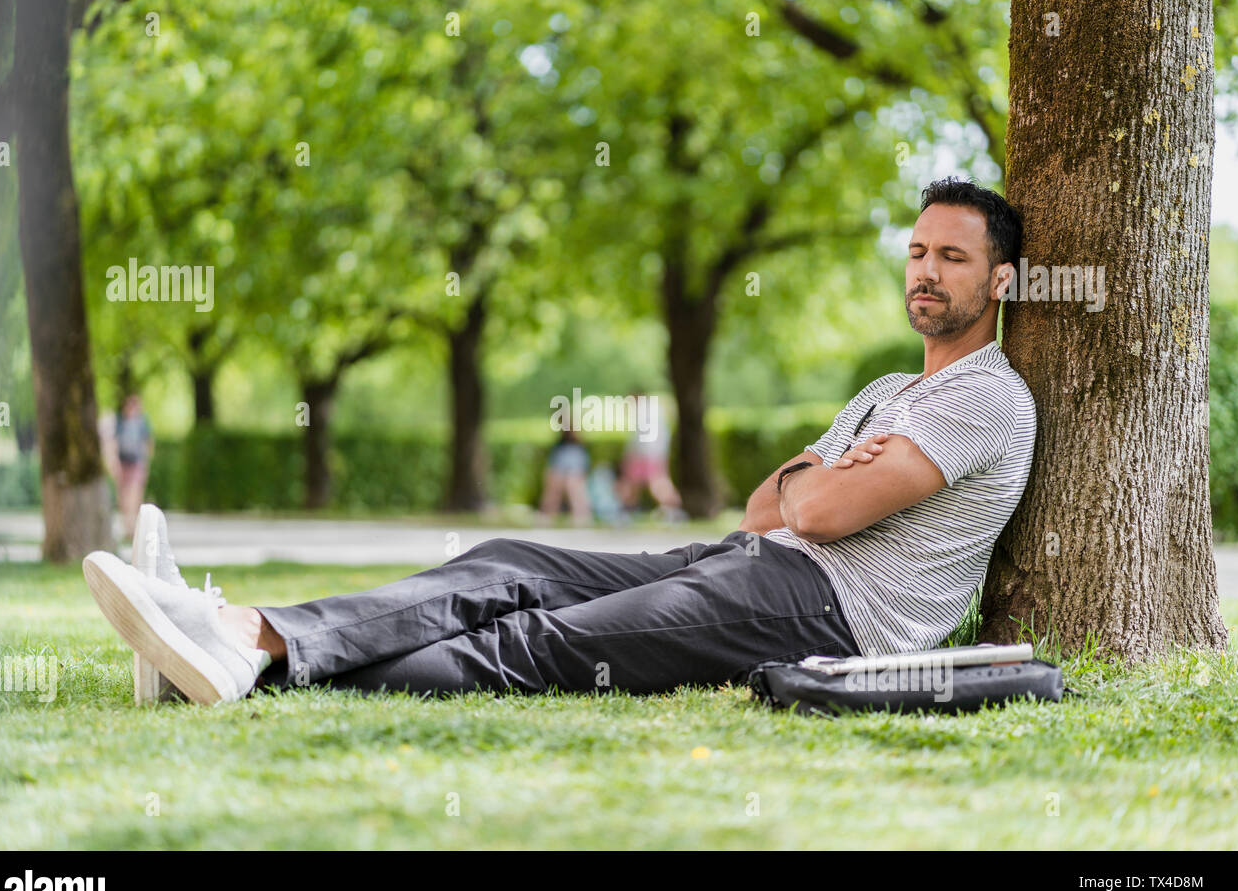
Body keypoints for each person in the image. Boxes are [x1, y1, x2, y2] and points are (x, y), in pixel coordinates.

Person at [80, 177, 1035, 705]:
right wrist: (820, 474)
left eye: (953, 257)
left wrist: (817, 479)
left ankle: (240, 648)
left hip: (829, 613)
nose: (926, 271)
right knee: (505, 562)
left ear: (997, 283)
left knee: (539, 643)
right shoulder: (886, 391)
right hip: (751, 556)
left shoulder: (989, 398)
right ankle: (248, 639)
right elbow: (767, 505)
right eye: (917, 251)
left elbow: (817, 511)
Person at [614, 389, 683, 520]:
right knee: (639, 484)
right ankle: (627, 511)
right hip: (655, 453)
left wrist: (630, 455)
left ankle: (626, 512)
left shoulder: (643, 412)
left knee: (652, 483)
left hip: (646, 454)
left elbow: (638, 438)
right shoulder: (654, 410)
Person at [113, 393, 154, 541]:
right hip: (123, 463)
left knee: (135, 495)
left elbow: (148, 443)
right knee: (123, 496)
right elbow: (115, 443)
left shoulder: (142, 423)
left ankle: (134, 527)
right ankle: (127, 526)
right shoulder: (120, 422)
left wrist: (146, 462)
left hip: (137, 463)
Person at [536, 429, 593, 526]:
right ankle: (547, 515)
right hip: (559, 475)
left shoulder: (579, 448)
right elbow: (552, 467)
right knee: (555, 483)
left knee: (573, 484)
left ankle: (581, 516)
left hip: (574, 476)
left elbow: (582, 470)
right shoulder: (558, 447)